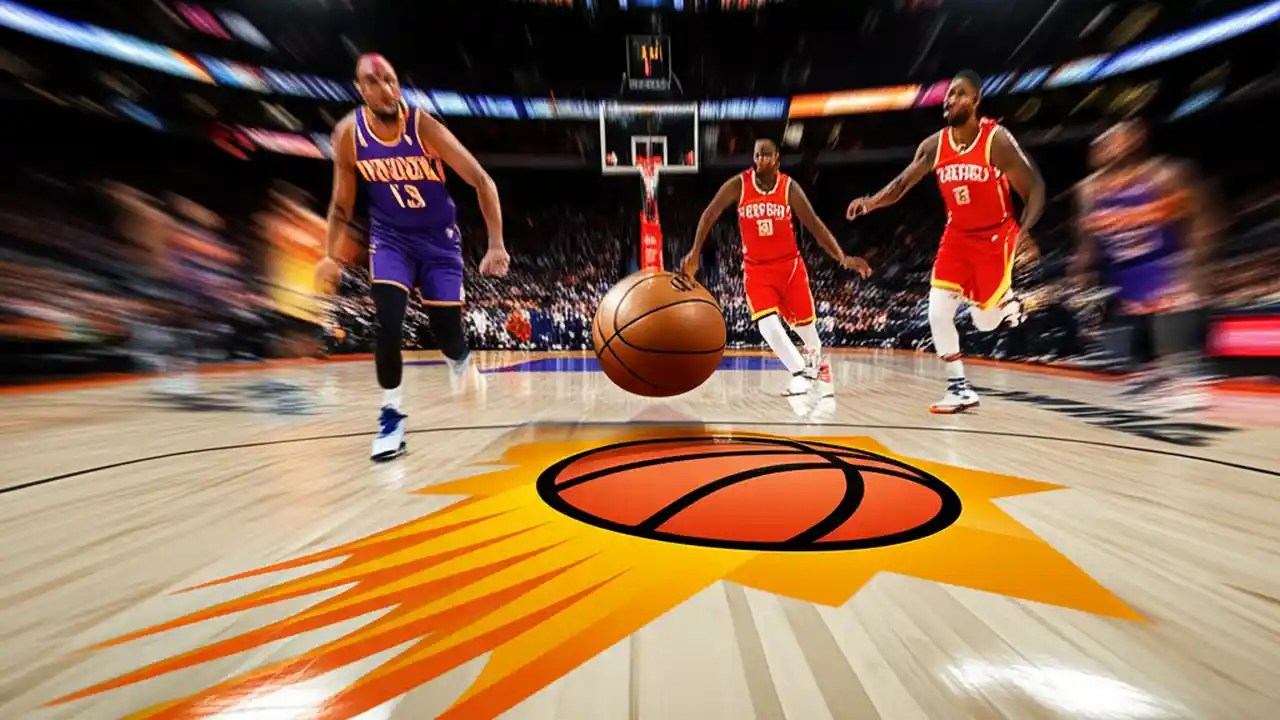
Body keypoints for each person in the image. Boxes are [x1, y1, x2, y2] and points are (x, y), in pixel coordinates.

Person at [315, 53, 509, 461]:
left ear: (398, 84)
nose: (385, 89)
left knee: (447, 333)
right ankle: (391, 415)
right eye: (373, 82)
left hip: (439, 241)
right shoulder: (348, 135)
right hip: (391, 240)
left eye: (390, 79)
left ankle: (461, 362)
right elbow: (341, 203)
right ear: (361, 89)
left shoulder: (424, 127)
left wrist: (496, 244)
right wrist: (329, 255)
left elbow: (481, 180)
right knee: (387, 322)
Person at [846, 70, 1045, 413]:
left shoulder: (996, 140)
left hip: (995, 237)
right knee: (937, 312)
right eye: (948, 94)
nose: (949, 100)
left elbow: (1034, 187)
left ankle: (1007, 302)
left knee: (984, 323)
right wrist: (871, 202)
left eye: (958, 93)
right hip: (956, 236)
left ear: (975, 100)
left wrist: (1024, 230)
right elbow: (902, 184)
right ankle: (959, 388)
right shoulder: (934, 145)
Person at [680, 138, 872, 401]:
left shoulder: (789, 187)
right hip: (757, 270)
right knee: (767, 327)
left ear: (776, 158)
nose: (760, 160)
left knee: (808, 332)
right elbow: (709, 214)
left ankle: (819, 370)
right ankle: (800, 373)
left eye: (765, 155)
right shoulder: (739, 184)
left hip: (790, 268)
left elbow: (815, 225)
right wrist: (695, 251)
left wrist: (842, 257)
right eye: (757, 155)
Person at [1069, 119, 1212, 410]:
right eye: (1099, 144)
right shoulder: (1089, 190)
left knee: (1169, 316)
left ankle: (1184, 381)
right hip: (1124, 267)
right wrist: (1080, 267)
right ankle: (1152, 376)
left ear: (1134, 139)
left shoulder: (1163, 175)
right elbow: (1088, 236)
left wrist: (1194, 257)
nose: (1103, 148)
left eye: (1112, 141)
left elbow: (1199, 216)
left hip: (1163, 259)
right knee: (1139, 324)